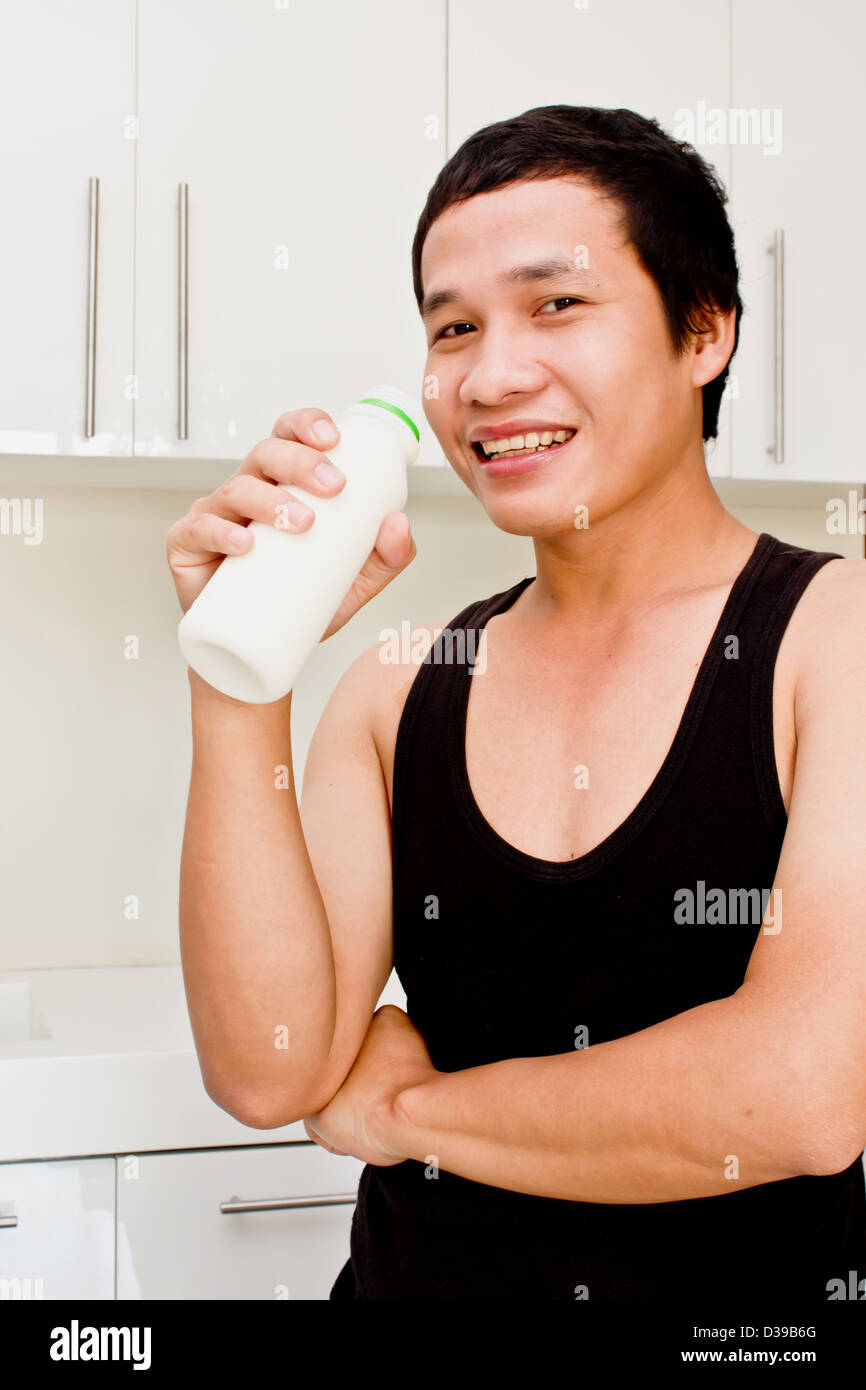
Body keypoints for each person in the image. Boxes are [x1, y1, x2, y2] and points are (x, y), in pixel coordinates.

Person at [166, 105, 866, 1300]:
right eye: (452, 327)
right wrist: (235, 672)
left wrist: (402, 1111)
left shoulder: (832, 636)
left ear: (702, 330)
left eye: (556, 302)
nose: (488, 376)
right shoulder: (400, 685)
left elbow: (798, 1095)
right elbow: (269, 1070)